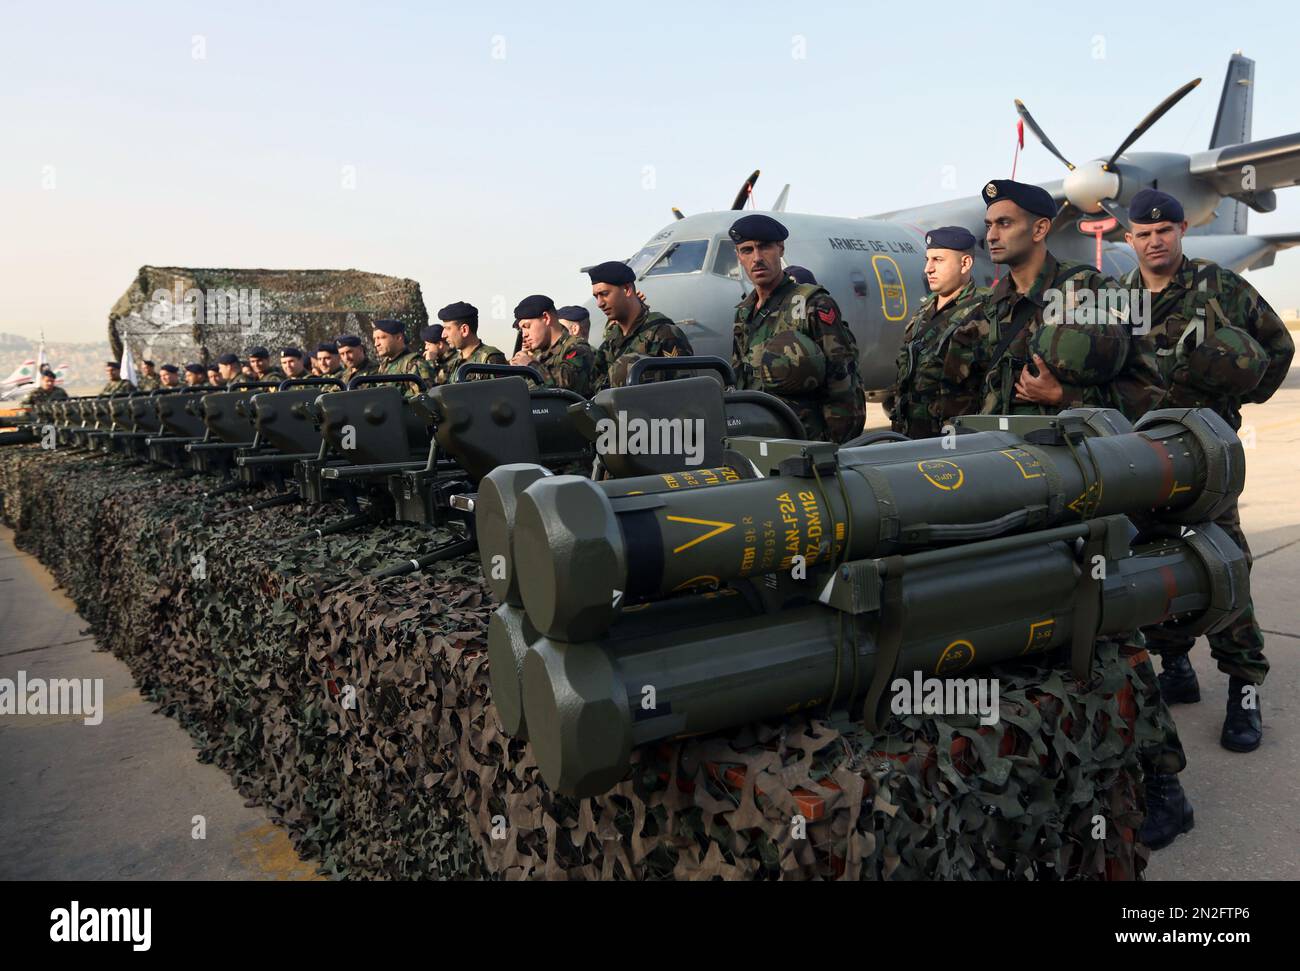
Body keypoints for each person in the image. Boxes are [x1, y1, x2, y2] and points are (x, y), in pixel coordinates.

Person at [1121, 188, 1294, 757]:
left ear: (1180, 232)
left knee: (1224, 565)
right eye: (1143, 233)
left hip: (1204, 460)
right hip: (1139, 461)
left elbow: (1275, 344)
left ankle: (1244, 686)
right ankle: (1176, 666)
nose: (1154, 240)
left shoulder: (1216, 286)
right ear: (1130, 239)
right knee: (1154, 563)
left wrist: (1238, 399)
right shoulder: (1117, 298)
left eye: (1164, 229)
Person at [969, 179, 1163, 421]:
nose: (991, 236)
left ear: (1039, 229)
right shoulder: (987, 306)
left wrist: (1065, 395)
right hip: (997, 451)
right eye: (989, 226)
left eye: (1004, 224)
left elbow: (1149, 392)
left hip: (1068, 452)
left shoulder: (1096, 289)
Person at [728, 215, 864, 442]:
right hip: (760, 437)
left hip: (805, 441)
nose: (757, 258)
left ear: (781, 249)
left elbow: (843, 383)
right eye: (747, 250)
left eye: (765, 247)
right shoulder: (744, 313)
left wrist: (832, 449)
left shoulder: (813, 304)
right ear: (739, 257)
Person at [884, 226, 988, 438]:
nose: (927, 269)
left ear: (965, 263)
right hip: (910, 437)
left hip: (954, 441)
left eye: (938, 260)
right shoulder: (924, 312)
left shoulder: (984, 311)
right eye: (927, 260)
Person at [588, 260, 694, 393]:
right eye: (596, 296)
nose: (599, 303)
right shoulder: (608, 346)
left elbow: (687, 391)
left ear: (627, 290)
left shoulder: (663, 334)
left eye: (604, 294)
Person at [511, 294, 596, 395]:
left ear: (546, 318)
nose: (524, 335)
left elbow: (567, 383)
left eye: (527, 326)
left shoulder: (577, 347)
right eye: (522, 329)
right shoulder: (538, 354)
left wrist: (530, 366)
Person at [438, 302, 506, 381]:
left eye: (448, 328)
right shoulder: (455, 363)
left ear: (464, 330)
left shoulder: (491, 359)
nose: (443, 335)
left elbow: (503, 392)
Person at [371, 319, 436, 394]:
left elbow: (422, 398)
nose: (376, 344)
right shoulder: (384, 365)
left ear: (398, 337)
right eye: (375, 339)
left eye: (382, 337)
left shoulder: (414, 363)